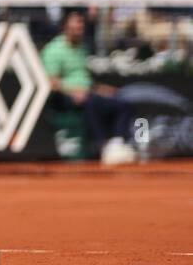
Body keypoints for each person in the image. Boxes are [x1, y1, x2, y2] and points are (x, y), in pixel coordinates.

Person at [40, 11, 137, 164]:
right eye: (77, 22)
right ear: (65, 26)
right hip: (65, 97)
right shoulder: (53, 50)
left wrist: (99, 88)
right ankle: (103, 145)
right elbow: (51, 82)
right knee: (89, 103)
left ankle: (117, 144)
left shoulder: (82, 47)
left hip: (88, 93)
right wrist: (73, 92)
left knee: (124, 104)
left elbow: (84, 79)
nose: (81, 26)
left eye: (82, 22)